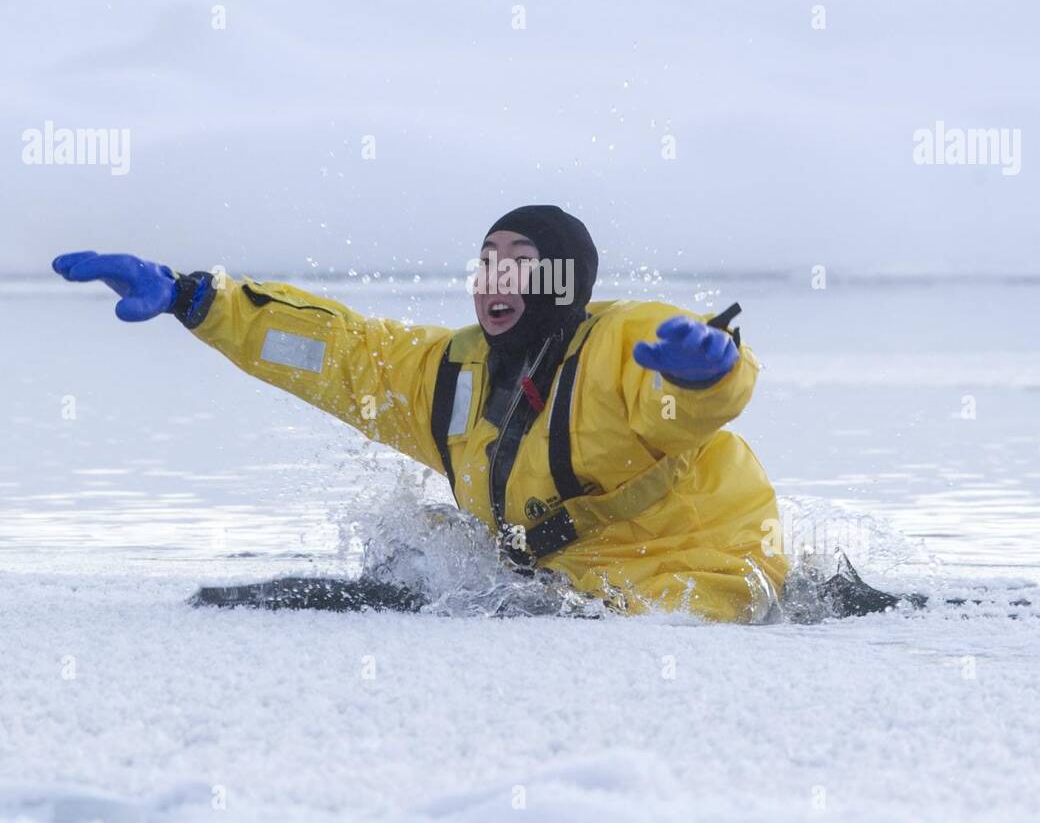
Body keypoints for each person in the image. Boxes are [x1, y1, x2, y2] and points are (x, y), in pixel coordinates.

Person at [52, 204, 787, 620]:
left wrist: (706, 372)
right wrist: (196, 300)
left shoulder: (621, 345)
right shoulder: (455, 372)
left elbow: (681, 400)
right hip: (573, 588)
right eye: (485, 257)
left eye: (518, 258)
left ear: (562, 280)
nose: (492, 275)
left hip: (698, 582)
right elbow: (338, 355)